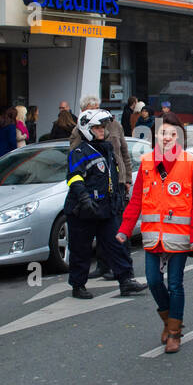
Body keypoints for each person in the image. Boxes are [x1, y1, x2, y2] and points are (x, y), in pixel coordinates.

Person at [118, 112, 193, 353]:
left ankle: (174, 333)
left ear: (180, 137)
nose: (167, 137)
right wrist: (124, 230)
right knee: (155, 282)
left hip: (180, 236)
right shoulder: (147, 163)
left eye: (172, 133)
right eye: (163, 133)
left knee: (175, 284)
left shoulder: (190, 162)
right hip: (152, 236)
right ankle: (169, 321)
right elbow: (136, 201)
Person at [66, 108, 147, 299]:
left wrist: (117, 198)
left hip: (106, 209)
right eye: (97, 127)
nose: (102, 130)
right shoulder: (79, 152)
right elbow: (73, 177)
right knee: (81, 250)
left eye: (103, 127)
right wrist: (84, 198)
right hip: (83, 210)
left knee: (116, 244)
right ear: (87, 129)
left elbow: (111, 177)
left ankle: (126, 281)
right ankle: (78, 285)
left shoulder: (107, 149)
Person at [71, 95, 134, 278]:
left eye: (98, 107)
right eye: (92, 109)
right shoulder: (80, 134)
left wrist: (127, 178)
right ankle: (102, 266)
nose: (97, 111)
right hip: (93, 189)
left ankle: (124, 273)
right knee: (95, 235)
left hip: (116, 184)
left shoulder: (114, 126)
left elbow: (123, 152)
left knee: (118, 230)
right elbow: (75, 162)